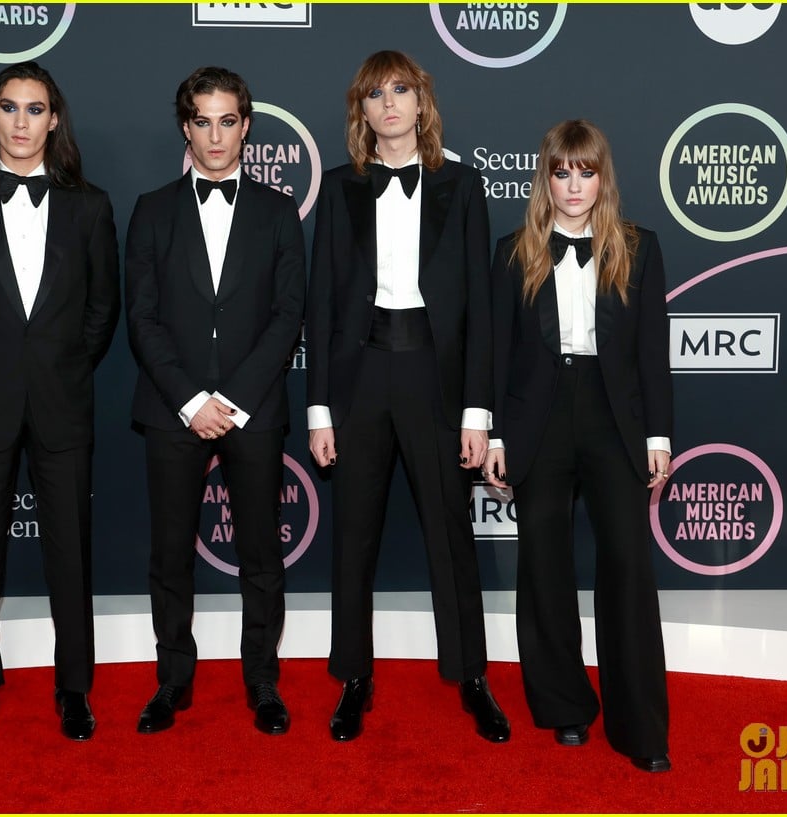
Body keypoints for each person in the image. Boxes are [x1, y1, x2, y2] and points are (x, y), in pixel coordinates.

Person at [305, 50, 509, 743]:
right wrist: (320, 409)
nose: (388, 104)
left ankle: (472, 675)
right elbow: (322, 305)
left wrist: (477, 410)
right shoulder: (338, 190)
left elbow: (481, 307)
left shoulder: (465, 185)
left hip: (434, 376)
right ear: (359, 111)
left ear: (422, 103)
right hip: (360, 376)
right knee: (352, 535)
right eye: (374, 94)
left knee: (452, 535)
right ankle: (352, 678)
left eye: (400, 91)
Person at [0, 61, 119, 752]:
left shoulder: (90, 205)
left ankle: (74, 688)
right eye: (9, 108)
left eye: (35, 109)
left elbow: (103, 309)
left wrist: (62, 364)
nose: (21, 123)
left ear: (54, 119)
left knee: (71, 551)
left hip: (64, 401)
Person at [484, 118, 673, 772]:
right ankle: (565, 706)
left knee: (626, 562)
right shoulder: (514, 251)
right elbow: (497, 351)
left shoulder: (639, 247)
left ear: (602, 176)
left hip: (612, 417)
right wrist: (497, 435)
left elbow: (653, 351)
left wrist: (658, 434)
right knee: (543, 563)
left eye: (585, 171)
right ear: (546, 176)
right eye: (562, 171)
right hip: (537, 417)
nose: (573, 184)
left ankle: (640, 726)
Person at [125, 66, 305, 736]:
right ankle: (172, 680)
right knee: (169, 554)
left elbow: (289, 315)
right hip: (173, 408)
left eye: (228, 120)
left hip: (251, 409)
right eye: (202, 120)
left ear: (247, 125)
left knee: (261, 554)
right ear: (186, 127)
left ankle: (263, 681)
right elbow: (141, 319)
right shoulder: (150, 209)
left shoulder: (279, 212)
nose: (215, 134)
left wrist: (229, 398)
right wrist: (191, 399)